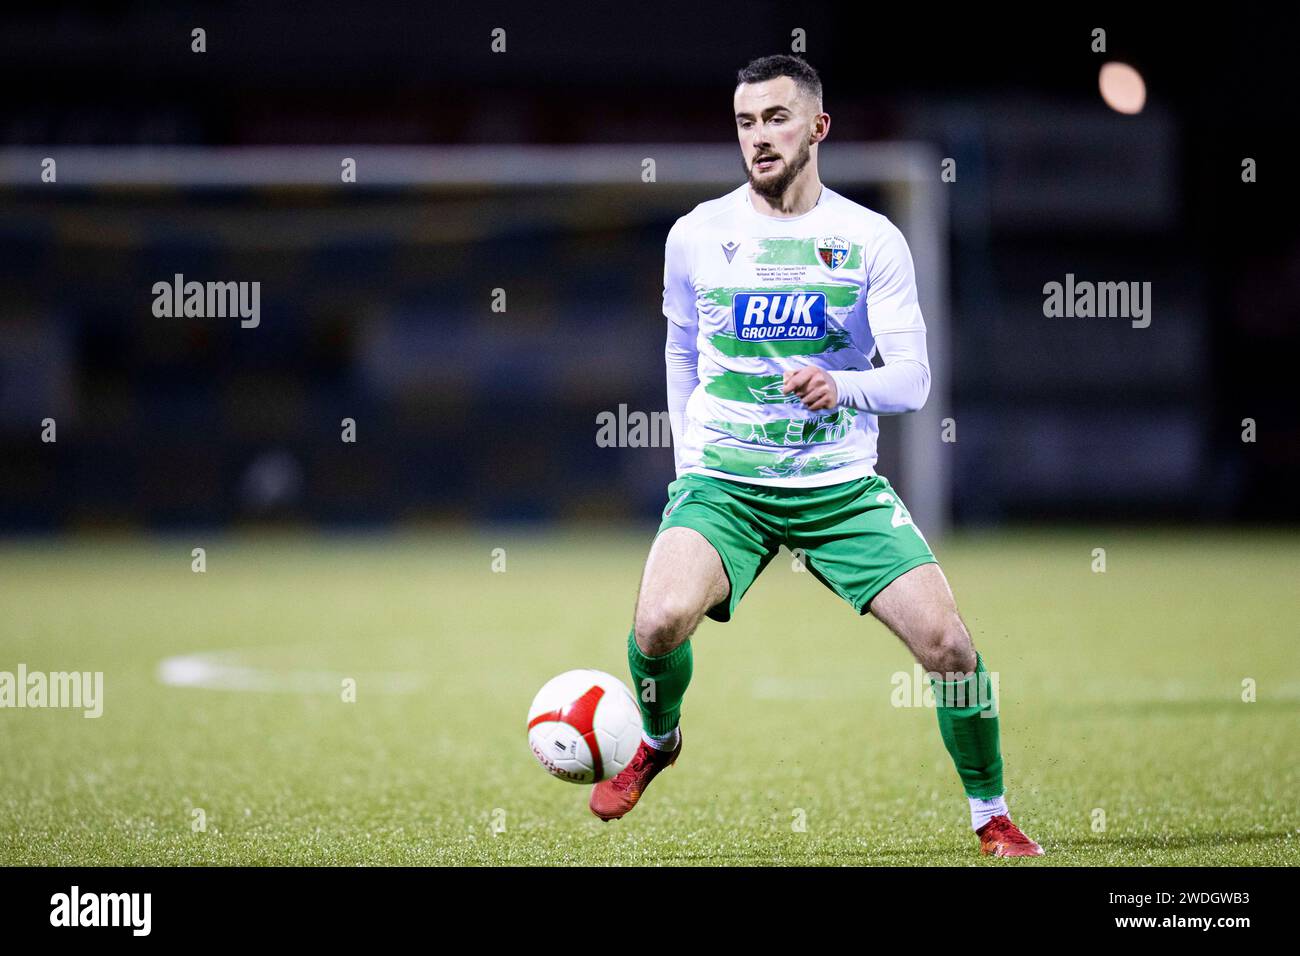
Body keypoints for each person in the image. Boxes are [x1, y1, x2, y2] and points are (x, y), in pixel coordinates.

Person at [590, 54, 1042, 857]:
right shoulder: (697, 234)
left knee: (951, 649)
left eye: (776, 118)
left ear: (817, 127)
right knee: (658, 622)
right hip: (726, 482)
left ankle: (991, 814)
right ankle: (658, 742)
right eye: (745, 122)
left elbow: (913, 380)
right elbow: (682, 353)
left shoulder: (870, 240)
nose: (758, 138)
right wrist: (684, 457)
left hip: (839, 489)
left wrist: (844, 387)